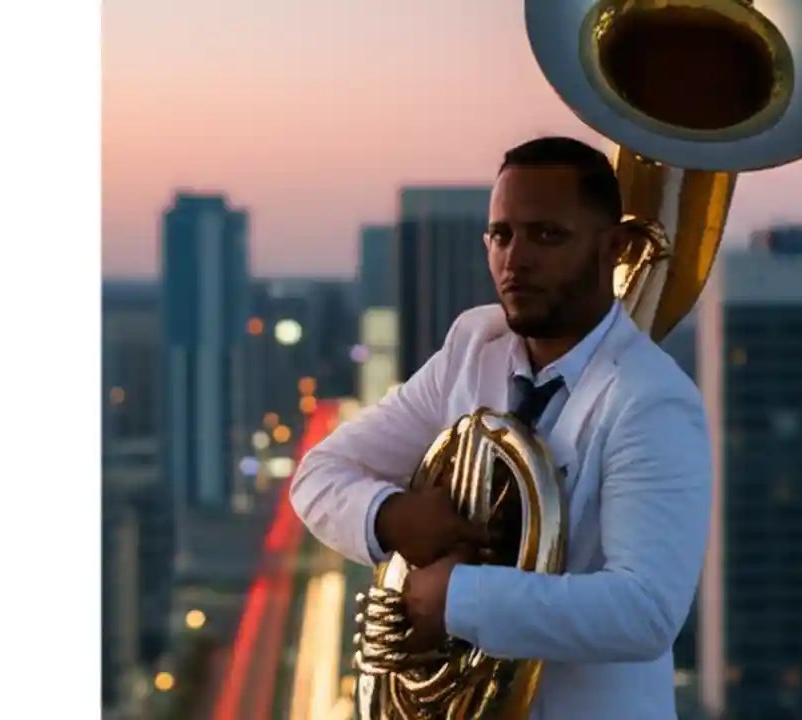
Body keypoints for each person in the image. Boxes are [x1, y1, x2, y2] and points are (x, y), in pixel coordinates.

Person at [289, 136, 712, 719]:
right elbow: (319, 474)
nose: (515, 260)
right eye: (502, 235)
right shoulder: (473, 346)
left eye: (547, 235)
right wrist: (389, 516)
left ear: (613, 247)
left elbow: (645, 611)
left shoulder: (653, 401)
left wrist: (453, 598)